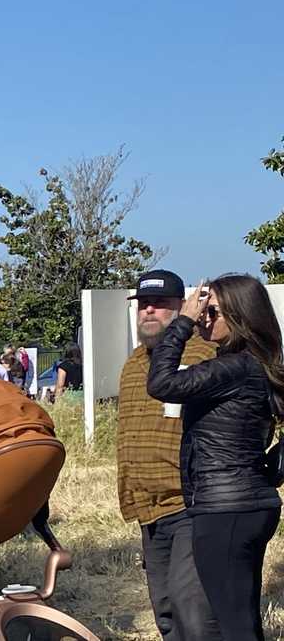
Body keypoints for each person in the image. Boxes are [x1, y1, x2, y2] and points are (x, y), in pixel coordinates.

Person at [147, 274, 283, 640]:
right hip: (243, 503)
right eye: (202, 312)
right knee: (239, 617)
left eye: (212, 312)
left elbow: (161, 384)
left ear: (240, 316)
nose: (204, 318)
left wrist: (182, 322)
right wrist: (271, 467)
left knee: (233, 624)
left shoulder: (234, 367)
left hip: (226, 509)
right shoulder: (251, 365)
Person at [116, 269, 220, 640]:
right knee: (165, 612)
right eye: (144, 304)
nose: (149, 311)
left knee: (193, 607)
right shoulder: (133, 364)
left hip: (190, 505)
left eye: (160, 305)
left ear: (182, 308)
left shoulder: (205, 355)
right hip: (148, 508)